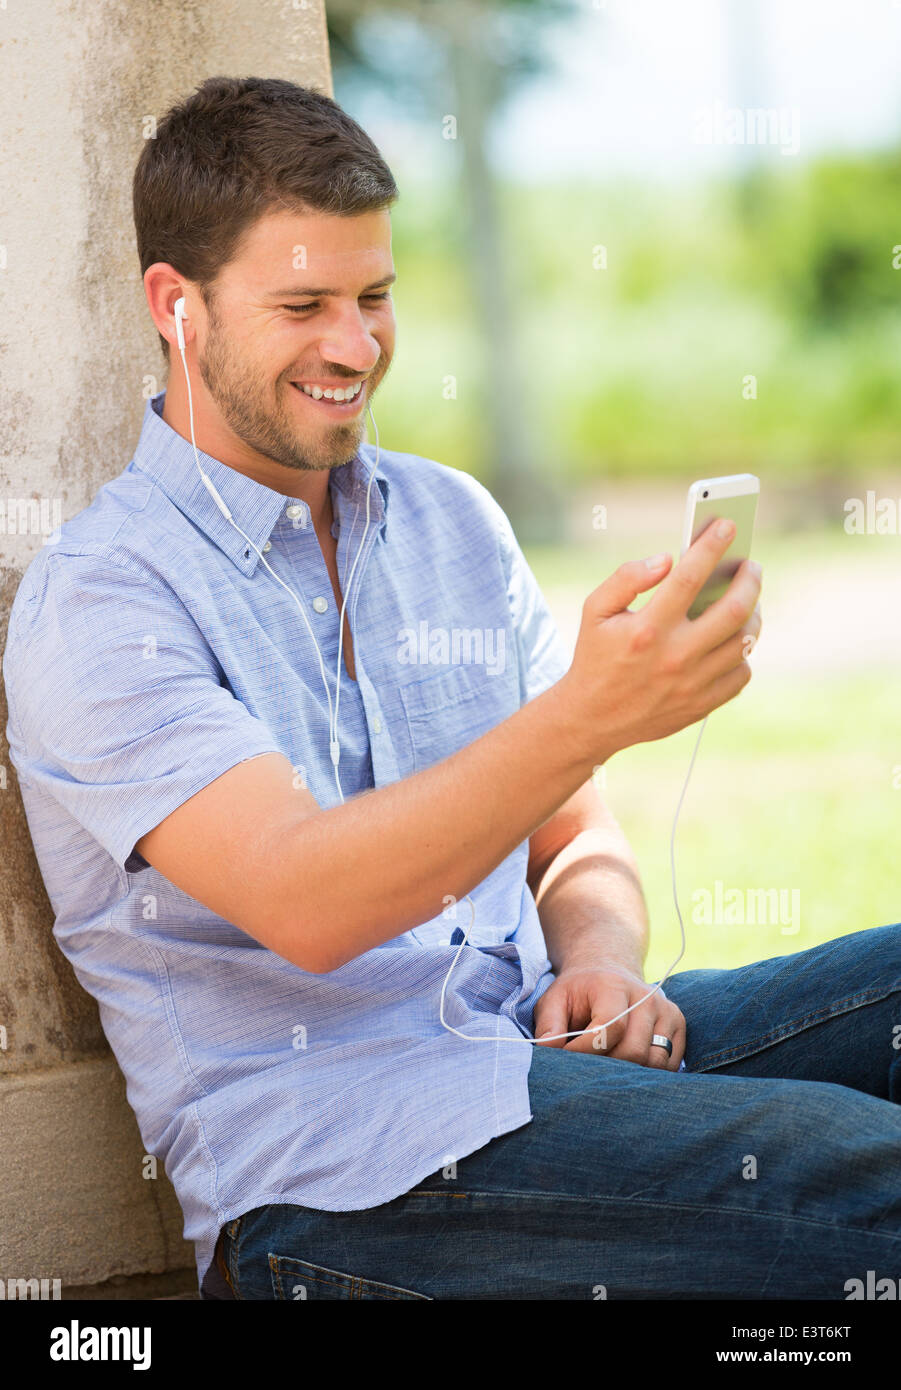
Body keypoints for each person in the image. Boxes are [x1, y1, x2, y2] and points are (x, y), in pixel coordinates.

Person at [4, 76, 899, 1302]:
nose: (355, 345)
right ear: (178, 306)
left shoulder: (450, 522)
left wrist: (600, 954)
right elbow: (304, 896)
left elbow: (573, 830)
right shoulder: (102, 601)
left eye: (374, 298)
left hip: (539, 1055)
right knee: (868, 1178)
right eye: (304, 304)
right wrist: (591, 712)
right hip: (346, 1183)